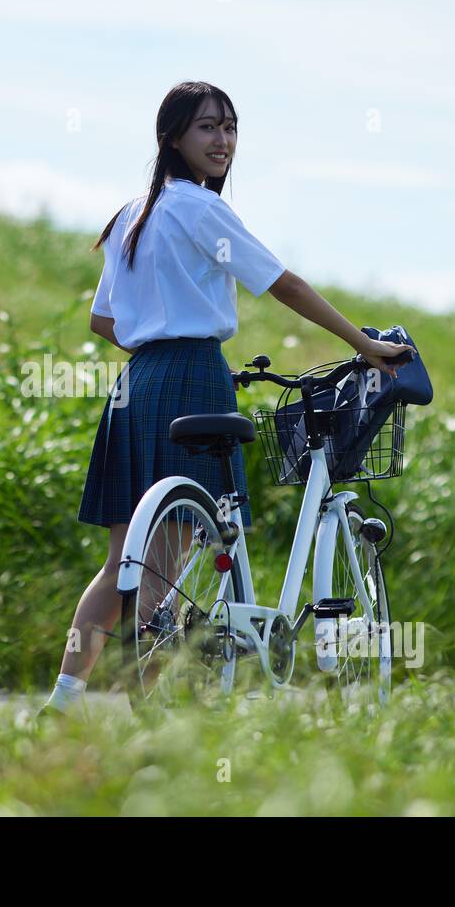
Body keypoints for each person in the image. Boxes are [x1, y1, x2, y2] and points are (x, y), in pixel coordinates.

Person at [40, 81, 409, 718]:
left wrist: (155, 336)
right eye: (207, 128)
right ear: (173, 138)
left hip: (138, 384)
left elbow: (104, 322)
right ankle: (146, 700)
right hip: (190, 378)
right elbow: (283, 283)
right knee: (170, 556)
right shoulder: (199, 209)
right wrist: (363, 343)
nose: (222, 141)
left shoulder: (133, 214)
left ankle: (63, 698)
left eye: (230, 128)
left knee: (122, 563)